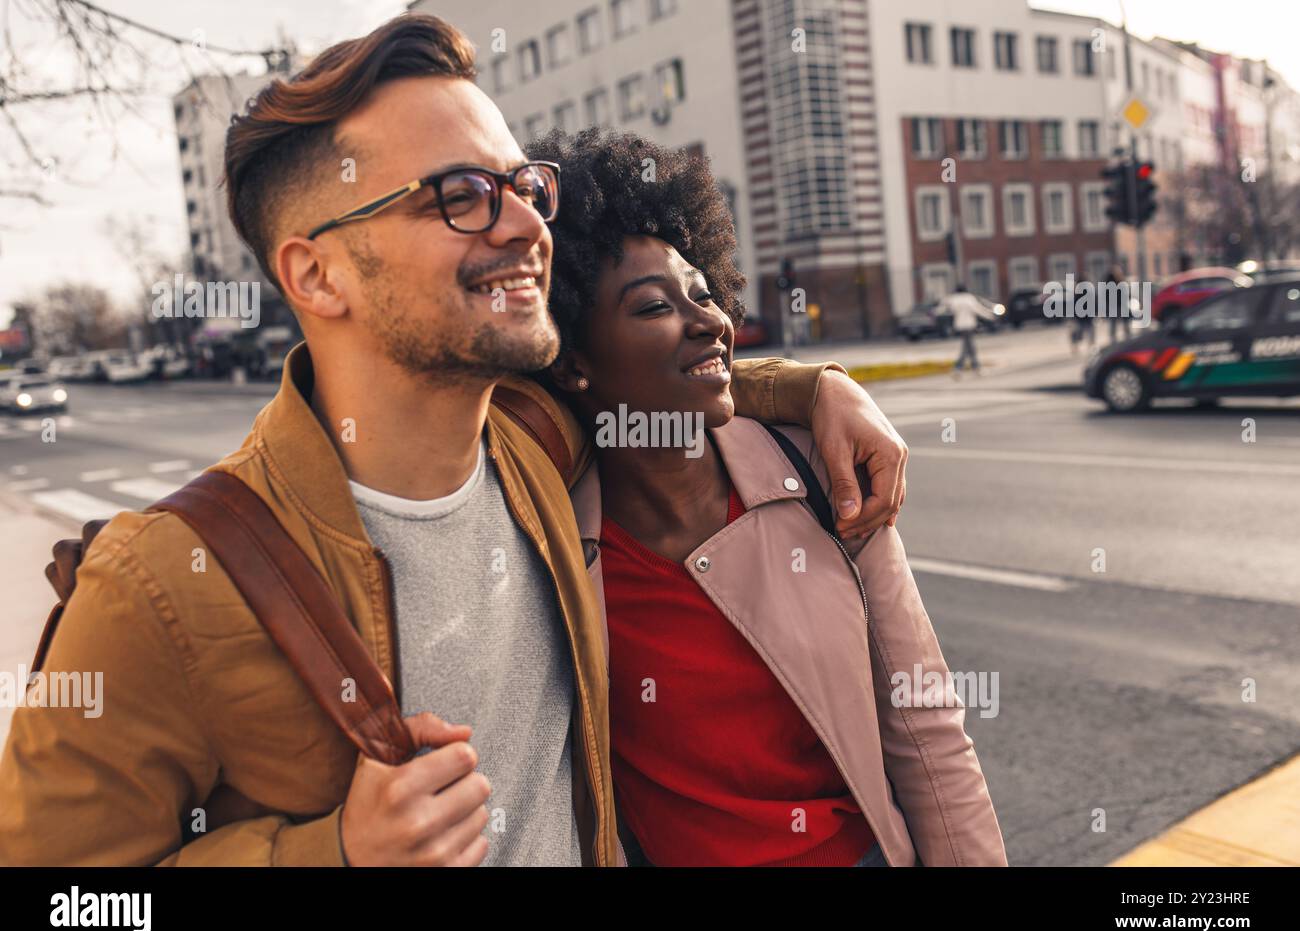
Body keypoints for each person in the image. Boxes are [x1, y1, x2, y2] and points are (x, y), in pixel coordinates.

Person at [0, 14, 911, 867]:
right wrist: (334, 854)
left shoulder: (535, 445)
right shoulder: (158, 587)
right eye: (460, 196)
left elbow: (654, 374)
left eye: (524, 185)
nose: (525, 226)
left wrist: (815, 386)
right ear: (316, 275)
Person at [527, 127, 1007, 867]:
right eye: (655, 307)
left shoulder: (819, 468)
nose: (713, 322)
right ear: (571, 361)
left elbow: (926, 726)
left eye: (704, 292)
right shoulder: (549, 536)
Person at [941, 284, 993, 376]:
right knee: (968, 347)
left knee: (969, 347)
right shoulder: (969, 298)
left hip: (959, 325)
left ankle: (974, 367)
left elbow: (945, 307)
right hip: (968, 325)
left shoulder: (954, 299)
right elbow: (978, 309)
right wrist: (989, 315)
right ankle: (960, 368)